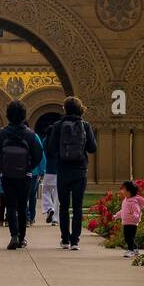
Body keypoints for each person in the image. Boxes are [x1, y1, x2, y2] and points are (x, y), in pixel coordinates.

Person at [46, 96, 97, 251]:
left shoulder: (58, 125)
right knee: (77, 206)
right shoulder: (85, 125)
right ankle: (75, 241)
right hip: (80, 170)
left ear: (65, 109)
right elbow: (92, 148)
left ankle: (65, 239)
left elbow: (50, 149)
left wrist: (60, 157)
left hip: (63, 170)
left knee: (63, 206)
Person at [0, 100, 43, 250]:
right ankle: (22, 238)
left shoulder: (1, 134)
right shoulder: (30, 134)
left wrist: (1, 169)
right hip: (25, 175)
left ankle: (13, 235)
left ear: (7, 115)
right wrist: (29, 167)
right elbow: (38, 155)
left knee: (11, 205)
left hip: (8, 175)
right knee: (22, 206)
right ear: (23, 115)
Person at [115, 180, 144, 257]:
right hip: (126, 222)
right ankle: (135, 249)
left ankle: (131, 250)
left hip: (132, 223)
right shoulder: (126, 200)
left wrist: (134, 216)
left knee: (129, 237)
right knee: (128, 237)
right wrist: (117, 216)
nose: (122, 191)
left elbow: (137, 212)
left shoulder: (133, 202)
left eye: (124, 189)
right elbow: (123, 210)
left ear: (129, 192)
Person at [39, 124, 59, 225]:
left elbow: (41, 155)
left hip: (47, 170)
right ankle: (55, 219)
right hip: (58, 171)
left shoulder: (45, 141)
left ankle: (49, 208)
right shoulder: (58, 141)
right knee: (57, 196)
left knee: (45, 192)